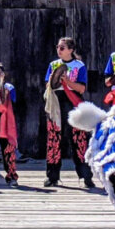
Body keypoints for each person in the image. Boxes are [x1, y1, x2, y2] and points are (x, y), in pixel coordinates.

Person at [44, 37, 95, 189]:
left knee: (79, 140)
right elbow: (49, 85)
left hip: (73, 100)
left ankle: (86, 176)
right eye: (58, 47)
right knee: (54, 139)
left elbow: (81, 89)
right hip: (56, 102)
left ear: (71, 50)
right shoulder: (53, 65)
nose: (59, 50)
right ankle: (52, 177)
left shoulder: (79, 66)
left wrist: (67, 82)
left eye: (62, 48)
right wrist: (55, 80)